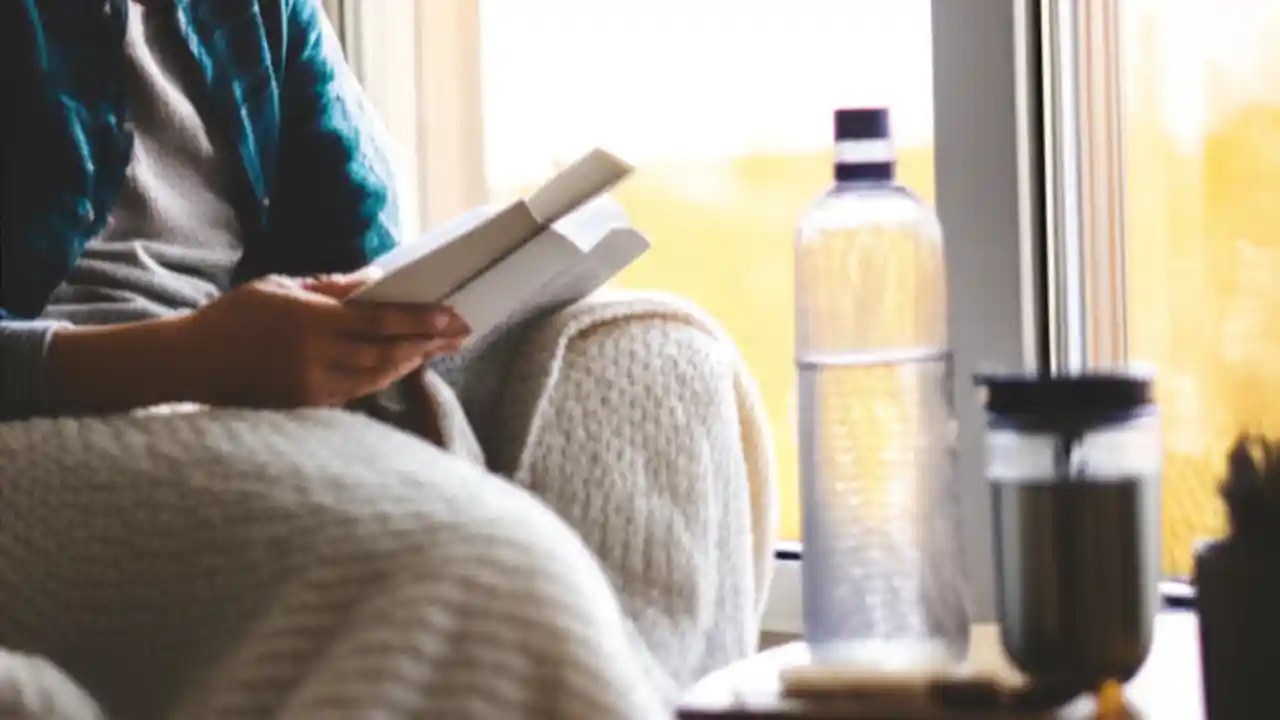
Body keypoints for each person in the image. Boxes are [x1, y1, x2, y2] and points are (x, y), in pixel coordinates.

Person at [0, 1, 673, 717]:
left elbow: (358, 242)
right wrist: (189, 357)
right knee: (475, 567)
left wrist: (392, 303)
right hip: (52, 417)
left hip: (235, 383)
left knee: (655, 359)